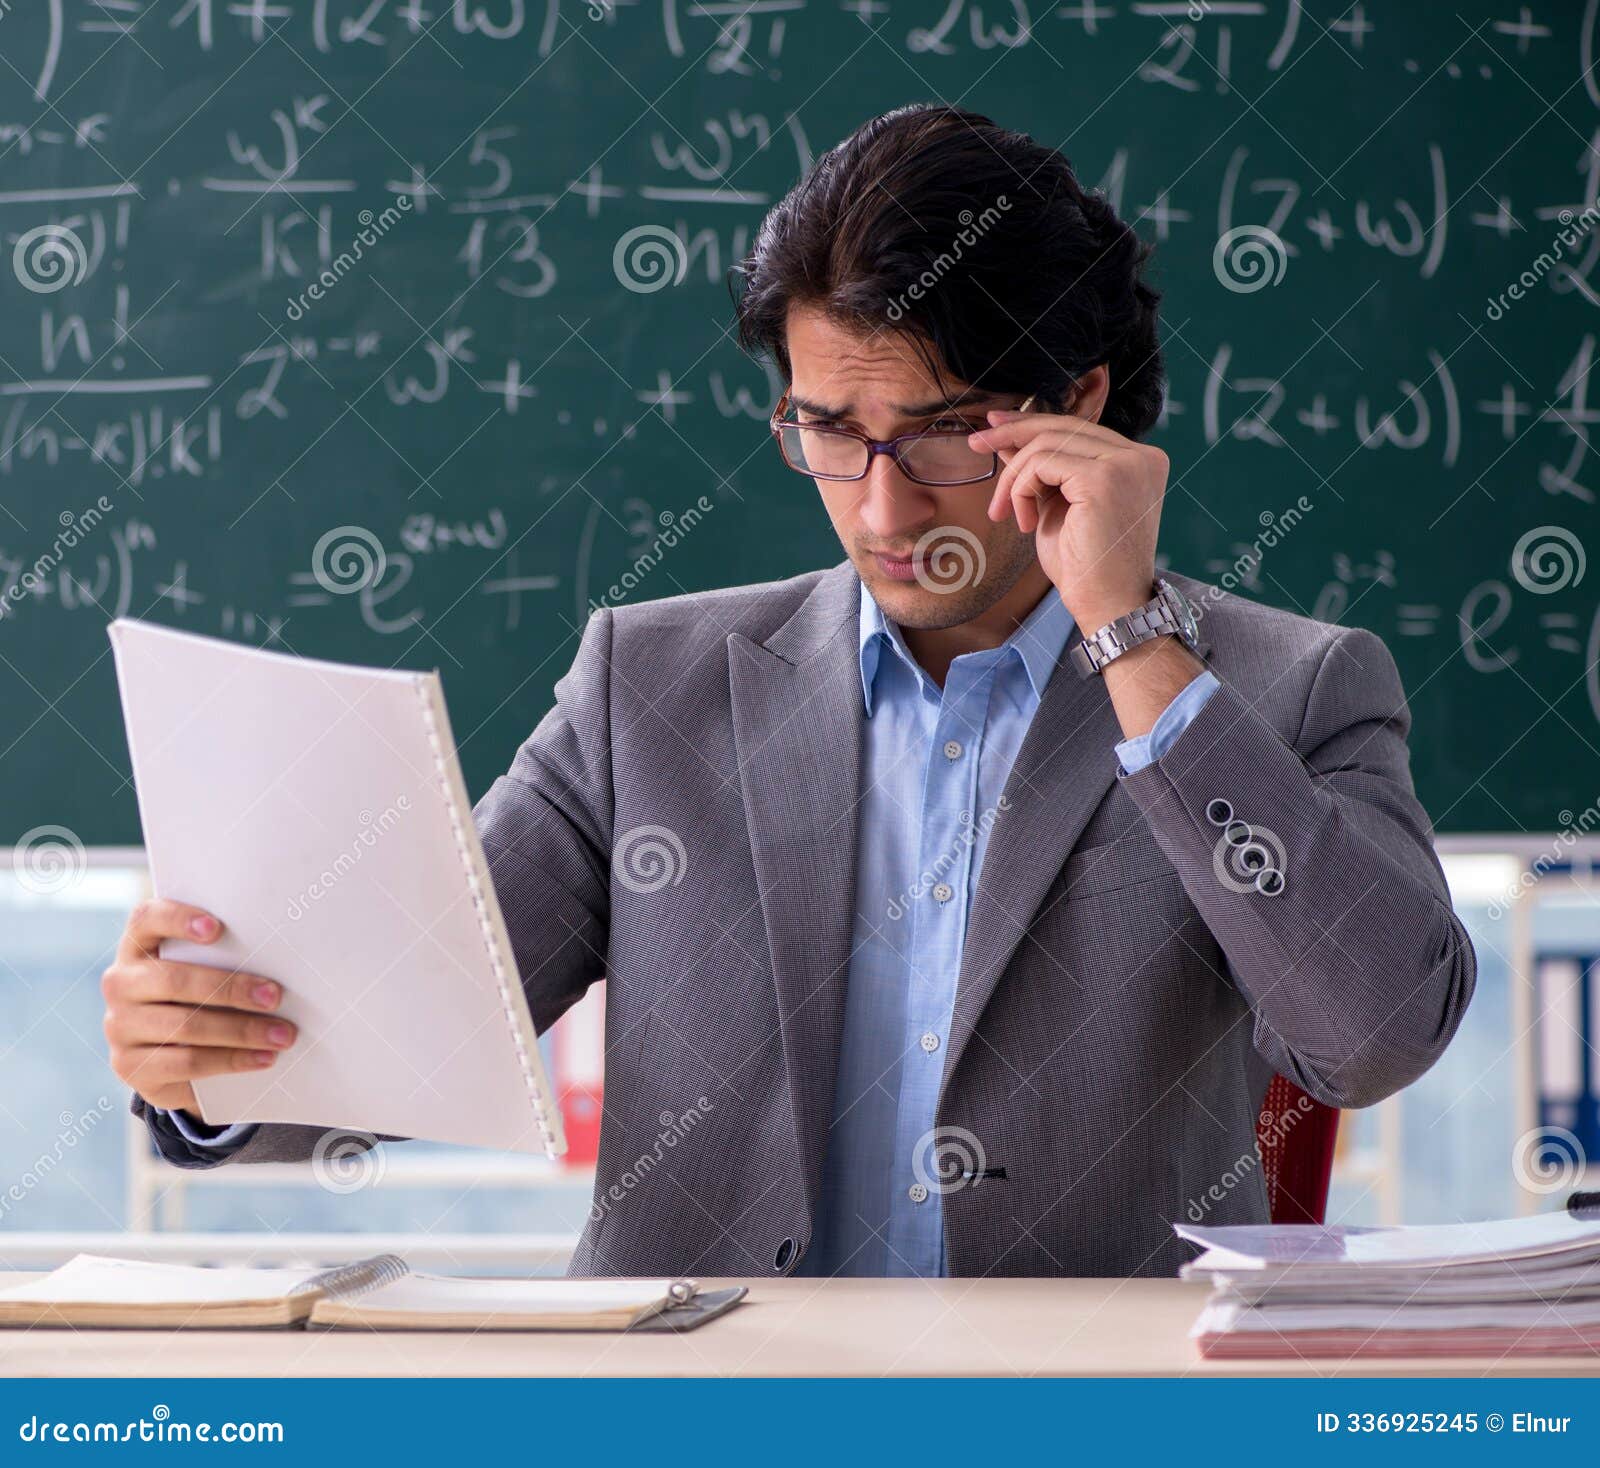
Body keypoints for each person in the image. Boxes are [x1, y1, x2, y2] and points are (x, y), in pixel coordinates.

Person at [103, 104, 1475, 1279]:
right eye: (829, 430)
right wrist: (214, 1066)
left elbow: (1370, 1038)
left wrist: (1128, 636)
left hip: (1083, 1410)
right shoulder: (650, 687)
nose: (879, 506)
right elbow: (415, 1027)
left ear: (1082, 406)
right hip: (697, 1410)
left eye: (940, 437)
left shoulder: (1290, 690)